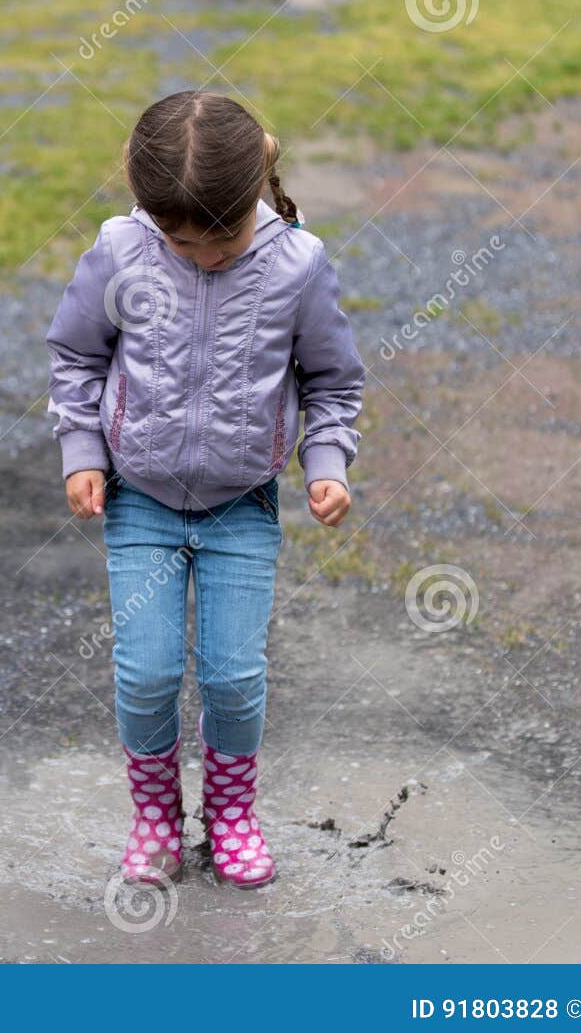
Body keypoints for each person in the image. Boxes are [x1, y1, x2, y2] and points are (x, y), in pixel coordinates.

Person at [44, 90, 366, 889]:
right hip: (139, 499)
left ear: (254, 196)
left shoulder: (298, 265)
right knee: (147, 671)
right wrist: (83, 450)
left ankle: (231, 816)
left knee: (232, 675)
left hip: (242, 506)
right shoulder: (121, 250)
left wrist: (326, 465)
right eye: (181, 243)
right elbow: (78, 356)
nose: (204, 258)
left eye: (221, 242)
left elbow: (332, 380)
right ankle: (155, 817)